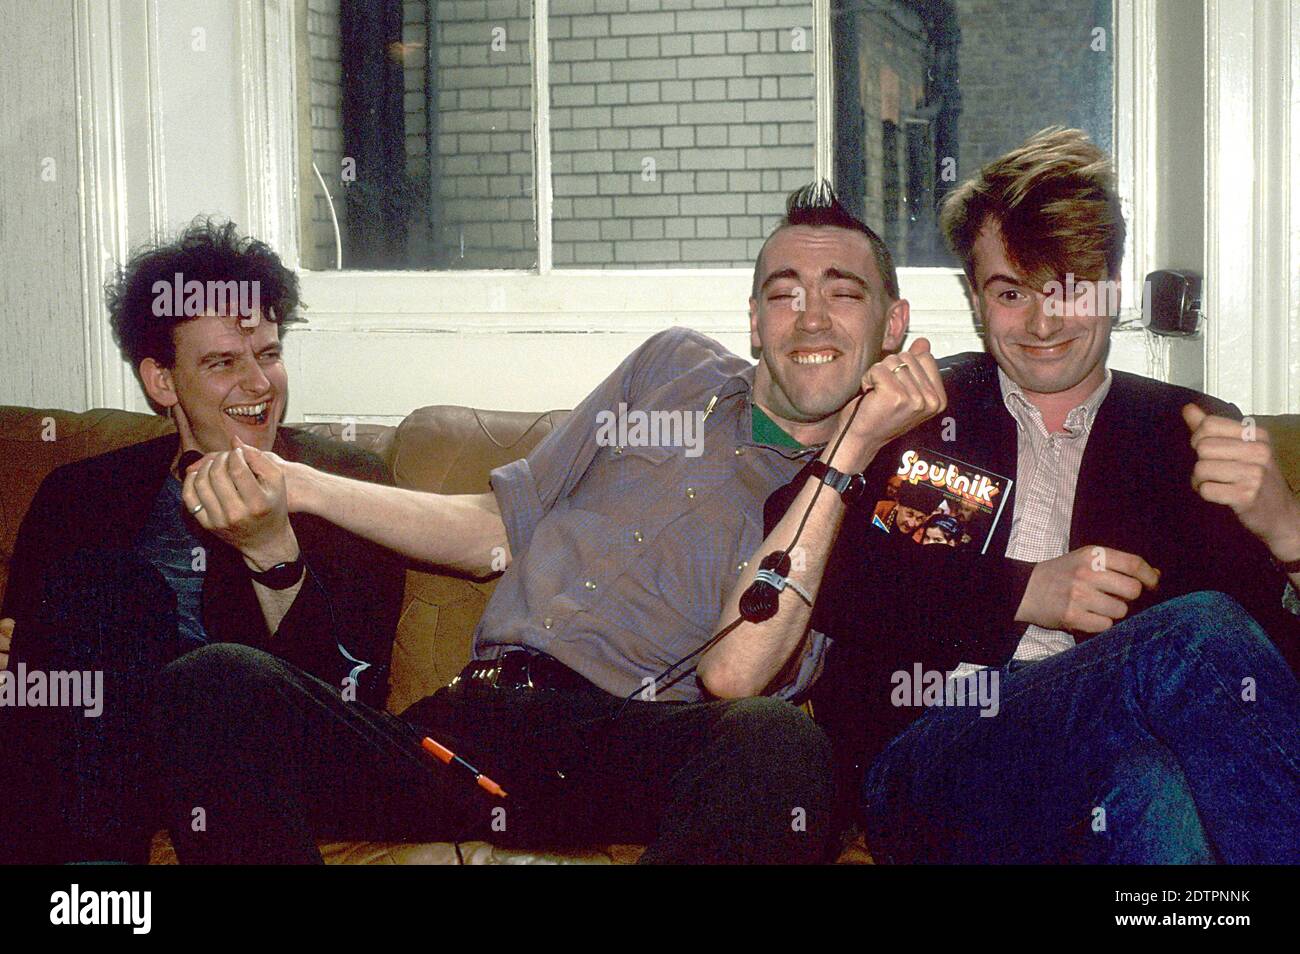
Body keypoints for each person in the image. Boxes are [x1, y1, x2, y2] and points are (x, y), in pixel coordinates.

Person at [147, 183, 946, 864]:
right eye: (783, 293)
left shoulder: (890, 494)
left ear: (893, 321)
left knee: (778, 746)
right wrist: (298, 485)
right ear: (753, 319)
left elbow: (735, 676)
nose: (809, 318)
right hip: (463, 731)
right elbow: (493, 529)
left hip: (626, 750)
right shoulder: (672, 368)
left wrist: (848, 454)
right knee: (215, 682)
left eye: (842, 293)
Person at [765, 128, 1300, 863]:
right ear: (977, 300)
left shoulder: (1190, 432)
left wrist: (1289, 534)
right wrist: (1019, 591)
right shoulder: (918, 409)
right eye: (1012, 293)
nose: (1043, 324)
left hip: (1107, 767)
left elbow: (1259, 688)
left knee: (1151, 787)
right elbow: (807, 570)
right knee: (1190, 635)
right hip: (930, 754)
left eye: (1069, 290)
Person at [0, 220, 404, 864]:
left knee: (204, 676)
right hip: (107, 756)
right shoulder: (80, 494)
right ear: (161, 381)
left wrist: (272, 546)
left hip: (266, 751)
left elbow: (347, 688)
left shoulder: (344, 485)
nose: (259, 384)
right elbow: (26, 666)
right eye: (223, 362)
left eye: (268, 354)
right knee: (109, 588)